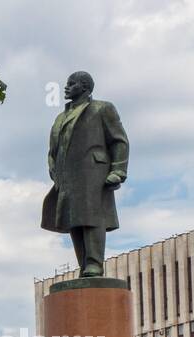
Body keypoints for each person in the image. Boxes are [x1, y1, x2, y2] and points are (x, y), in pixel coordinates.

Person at [40, 71, 129, 278]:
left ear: (85, 87)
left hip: (93, 173)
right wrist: (54, 170)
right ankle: (84, 266)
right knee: (74, 220)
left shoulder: (102, 108)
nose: (66, 87)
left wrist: (118, 171)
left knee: (92, 218)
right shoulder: (60, 117)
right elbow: (54, 149)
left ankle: (94, 264)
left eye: (72, 84)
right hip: (66, 177)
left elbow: (119, 140)